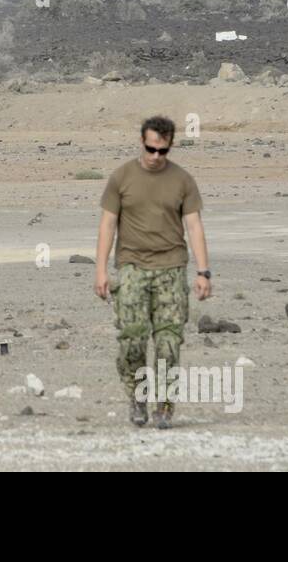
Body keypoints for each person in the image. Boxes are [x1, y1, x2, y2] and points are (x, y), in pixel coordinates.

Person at [94, 115, 212, 429]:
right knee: (132, 341)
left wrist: (203, 272)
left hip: (171, 268)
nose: (156, 157)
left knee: (168, 343)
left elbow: (194, 226)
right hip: (132, 267)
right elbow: (107, 225)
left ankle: (165, 405)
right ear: (142, 143)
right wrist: (101, 270)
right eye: (151, 149)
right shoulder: (121, 178)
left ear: (170, 146)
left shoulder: (183, 181)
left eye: (163, 151)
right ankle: (137, 396)